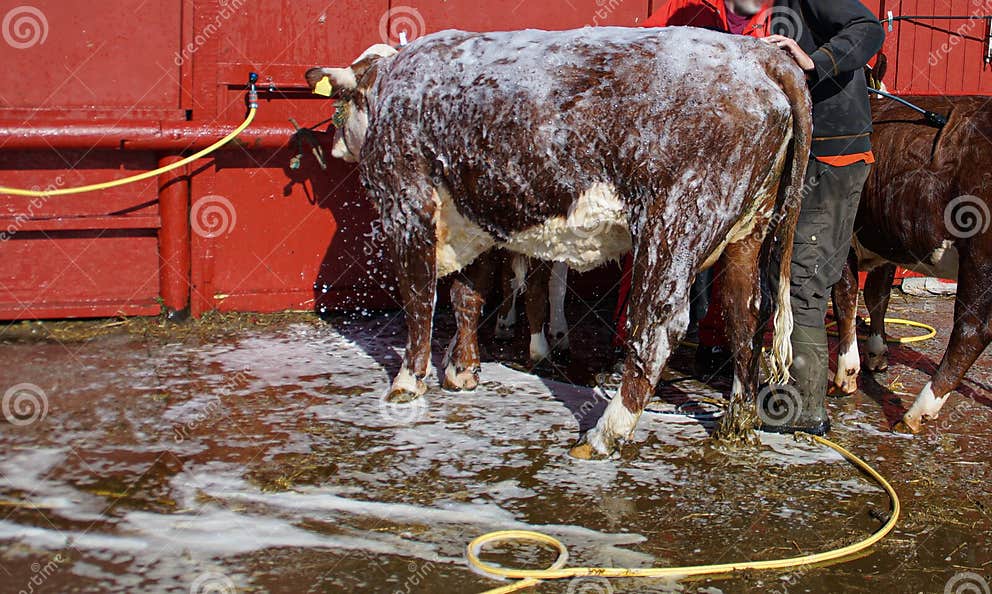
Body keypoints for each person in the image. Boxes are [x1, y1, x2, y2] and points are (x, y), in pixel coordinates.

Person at [615, 0, 886, 435]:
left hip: (832, 152)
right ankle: (775, 391)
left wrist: (816, 61)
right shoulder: (740, 14)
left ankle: (804, 407)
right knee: (774, 272)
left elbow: (869, 28)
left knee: (804, 275)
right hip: (790, 152)